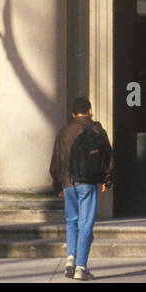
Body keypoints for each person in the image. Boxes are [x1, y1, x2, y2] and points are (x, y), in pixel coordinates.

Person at [49, 96, 114, 281]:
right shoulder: (96, 129)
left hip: (68, 184)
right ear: (90, 111)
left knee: (72, 222)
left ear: (72, 114)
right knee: (86, 224)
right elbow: (108, 157)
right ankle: (81, 266)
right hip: (88, 183)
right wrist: (106, 180)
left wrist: (57, 186)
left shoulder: (63, 132)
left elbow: (56, 162)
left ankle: (71, 258)